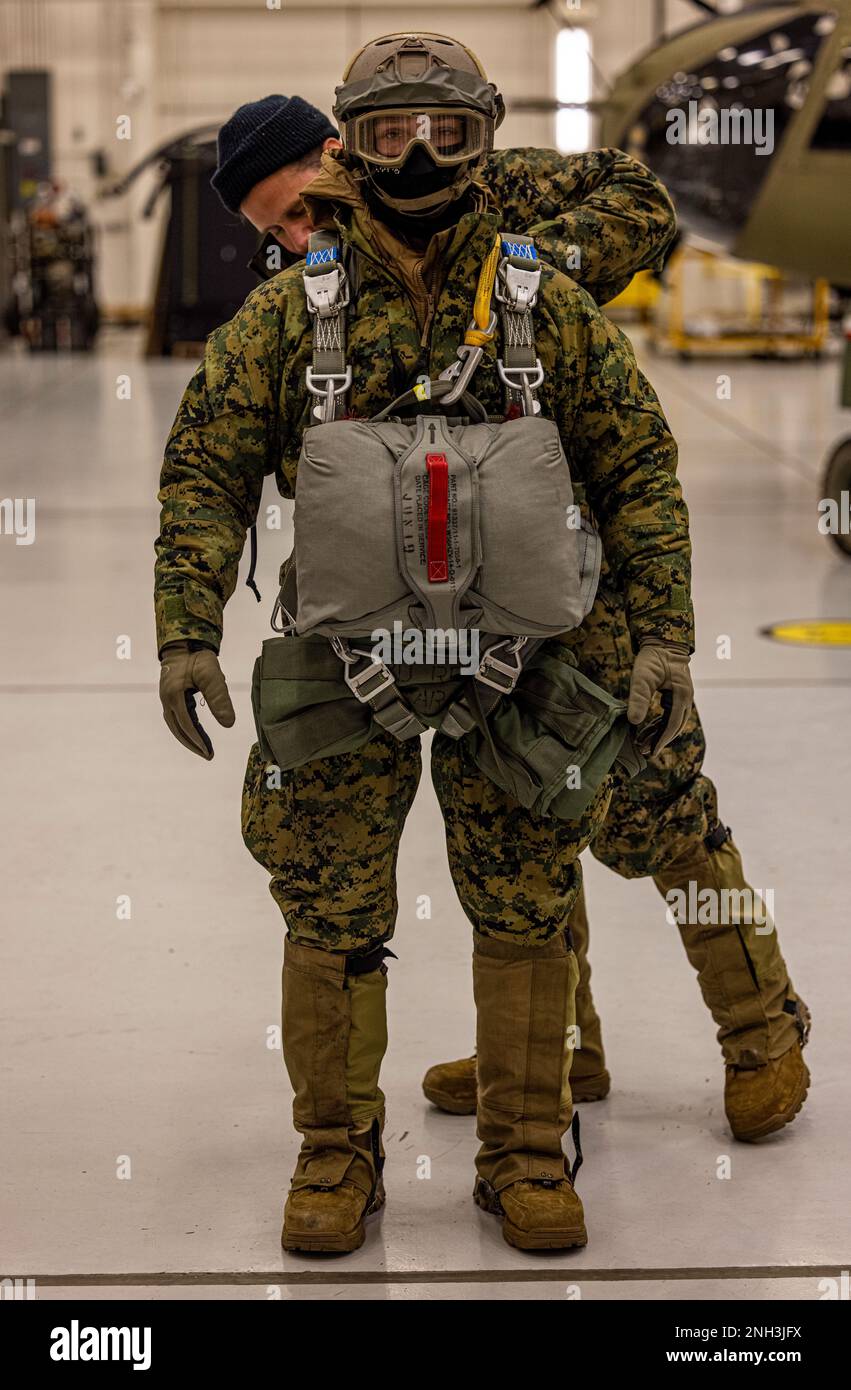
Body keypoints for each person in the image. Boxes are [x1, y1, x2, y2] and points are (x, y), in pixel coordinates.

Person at [155, 31, 696, 1253]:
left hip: (522, 661)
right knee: (328, 911)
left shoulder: (539, 295)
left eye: (444, 131)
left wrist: (661, 635)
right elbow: (206, 465)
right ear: (350, 137)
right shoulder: (287, 311)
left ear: (482, 134)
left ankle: (520, 1157)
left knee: (523, 901)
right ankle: (335, 1157)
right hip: (346, 662)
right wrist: (184, 629)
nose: (415, 156)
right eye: (389, 131)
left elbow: (634, 464)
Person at [210, 86, 810, 1140]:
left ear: (334, 151)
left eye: (297, 205)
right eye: (276, 230)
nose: (297, 235)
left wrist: (517, 268)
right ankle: (562, 1050)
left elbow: (641, 207)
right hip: (452, 597)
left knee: (651, 801)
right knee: (533, 804)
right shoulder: (325, 278)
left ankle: (762, 1028)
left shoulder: (487, 182)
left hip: (576, 567)